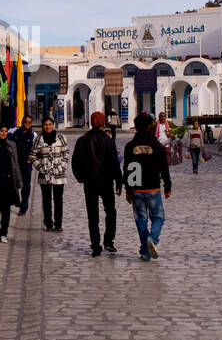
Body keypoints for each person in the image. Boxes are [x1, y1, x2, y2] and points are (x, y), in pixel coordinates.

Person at [71, 111, 122, 256]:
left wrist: (81, 178)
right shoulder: (109, 141)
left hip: (90, 182)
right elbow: (115, 163)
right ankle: (109, 241)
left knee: (93, 215)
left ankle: (95, 244)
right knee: (110, 211)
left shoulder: (83, 140)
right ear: (103, 123)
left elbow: (75, 162)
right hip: (106, 182)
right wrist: (119, 182)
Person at [123, 113, 172, 261]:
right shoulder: (156, 146)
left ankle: (145, 251)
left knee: (141, 219)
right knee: (158, 217)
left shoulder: (130, 146)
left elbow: (127, 169)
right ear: (150, 126)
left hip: (137, 188)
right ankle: (152, 238)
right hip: (153, 188)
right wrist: (167, 186)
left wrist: (127, 190)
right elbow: (164, 168)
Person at [31, 117, 70, 232]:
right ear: (43, 126)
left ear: (53, 125)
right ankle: (48, 223)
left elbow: (66, 153)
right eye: (45, 124)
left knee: (58, 199)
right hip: (45, 174)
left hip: (59, 173)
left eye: (50, 124)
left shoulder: (61, 137)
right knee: (46, 199)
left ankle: (58, 224)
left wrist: (62, 166)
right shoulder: (38, 139)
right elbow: (32, 155)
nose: (48, 126)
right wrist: (41, 167)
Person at [9, 115, 37, 215]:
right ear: (22, 121)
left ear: (31, 123)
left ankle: (23, 207)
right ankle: (15, 201)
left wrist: (31, 159)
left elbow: (37, 149)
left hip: (26, 165)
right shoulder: (14, 132)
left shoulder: (33, 135)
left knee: (26, 186)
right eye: (26, 122)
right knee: (13, 184)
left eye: (29, 122)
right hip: (15, 164)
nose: (27, 124)